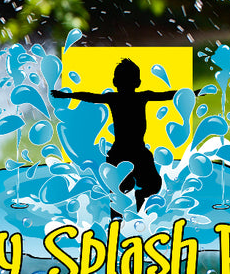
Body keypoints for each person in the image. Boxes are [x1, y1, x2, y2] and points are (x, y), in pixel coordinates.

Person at [51, 58, 180, 209]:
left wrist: (67, 96)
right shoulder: (141, 96)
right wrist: (191, 94)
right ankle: (138, 201)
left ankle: (118, 218)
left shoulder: (114, 98)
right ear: (138, 82)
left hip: (119, 153)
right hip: (137, 152)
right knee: (151, 186)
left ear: (115, 82)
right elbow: (168, 95)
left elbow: (90, 96)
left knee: (118, 192)